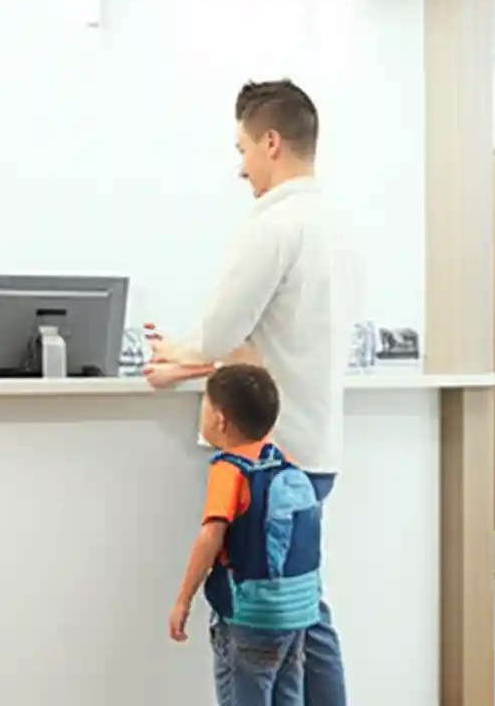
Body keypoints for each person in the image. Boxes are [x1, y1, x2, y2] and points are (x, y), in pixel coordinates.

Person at [148, 79, 360, 705]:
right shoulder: (338, 225)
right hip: (315, 451)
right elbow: (275, 341)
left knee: (274, 620)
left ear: (270, 142)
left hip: (268, 459)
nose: (240, 167)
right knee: (304, 608)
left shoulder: (274, 225)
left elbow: (221, 332)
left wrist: (178, 355)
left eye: (242, 148)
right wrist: (189, 359)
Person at [168, 364, 323, 706]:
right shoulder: (282, 460)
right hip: (296, 612)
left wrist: (183, 599)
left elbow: (210, 537)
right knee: (288, 696)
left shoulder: (228, 469)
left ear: (220, 420)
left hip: (251, 617)